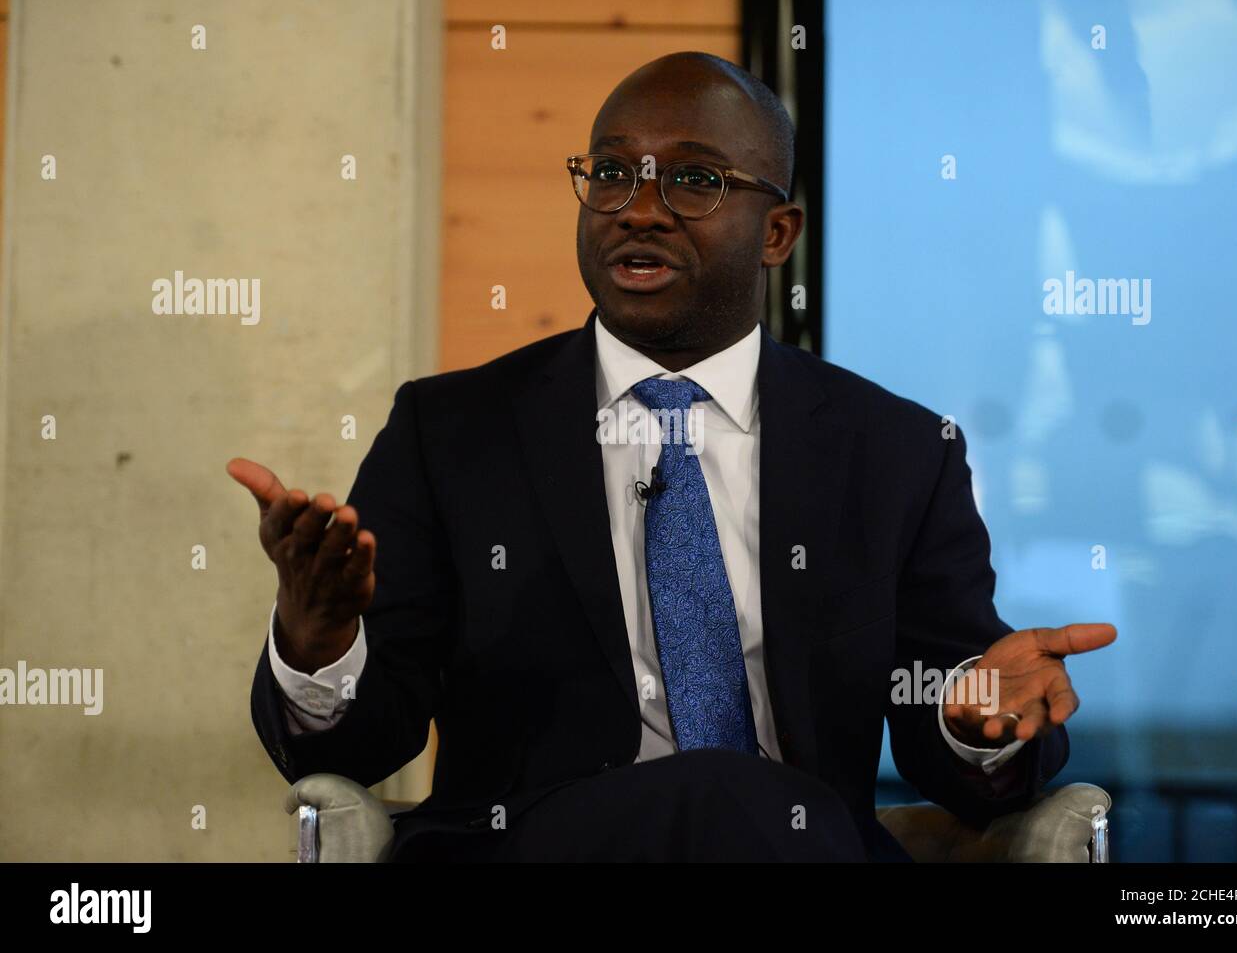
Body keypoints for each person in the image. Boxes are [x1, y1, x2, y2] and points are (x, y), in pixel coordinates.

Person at [228, 52, 1115, 861]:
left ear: (777, 234)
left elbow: (954, 750)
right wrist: (321, 642)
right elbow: (358, 749)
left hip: (795, 850)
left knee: (749, 802)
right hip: (532, 847)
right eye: (610, 173)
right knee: (717, 789)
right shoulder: (451, 431)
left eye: (693, 179)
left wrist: (981, 722)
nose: (639, 208)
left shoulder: (896, 453)